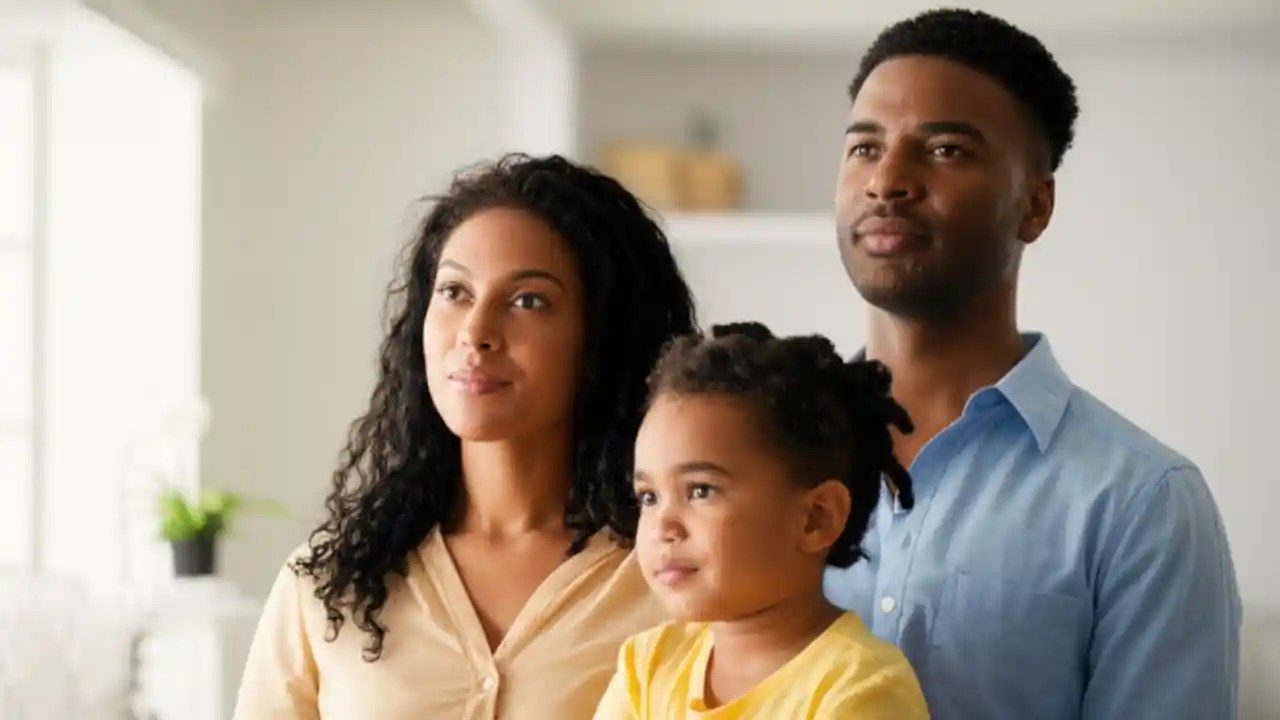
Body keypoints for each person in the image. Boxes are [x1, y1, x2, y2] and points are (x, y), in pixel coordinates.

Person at [823, 9, 1241, 720]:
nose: (887, 180)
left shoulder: (1141, 504)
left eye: (947, 150)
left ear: (1035, 205)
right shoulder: (746, 453)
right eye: (865, 148)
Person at [232, 153, 699, 719]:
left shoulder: (677, 580)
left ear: (604, 335)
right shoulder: (330, 585)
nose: (476, 333)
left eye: (529, 301)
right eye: (455, 292)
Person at [595, 322, 930, 719]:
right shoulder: (648, 666)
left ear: (815, 519)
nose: (662, 526)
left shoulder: (859, 689)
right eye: (649, 497)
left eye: (701, 490)